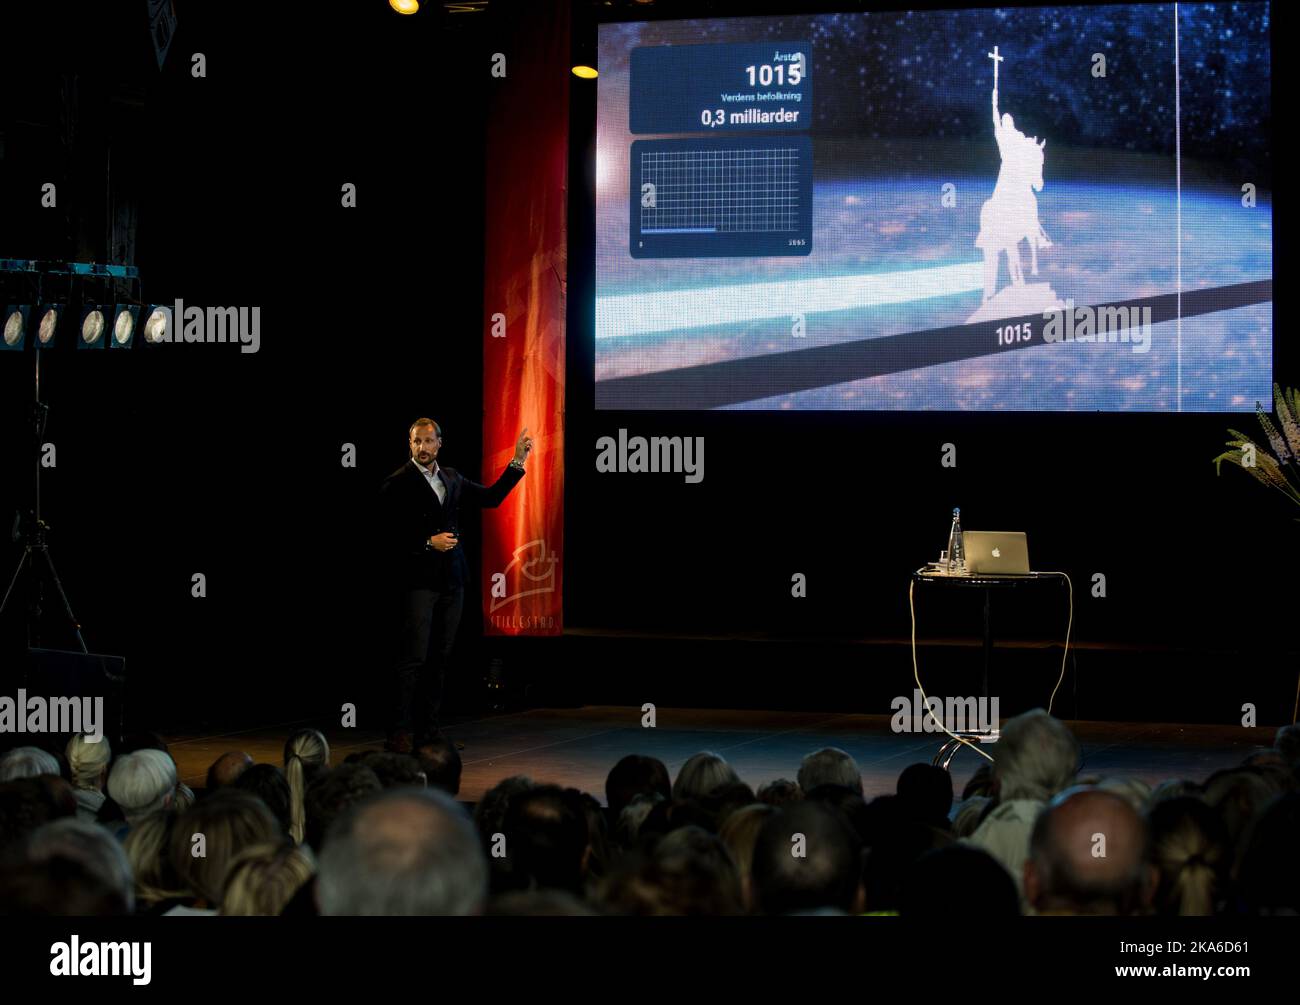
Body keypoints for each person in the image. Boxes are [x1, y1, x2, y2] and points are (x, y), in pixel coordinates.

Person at [379, 418, 533, 753]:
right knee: (413, 658)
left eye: (428, 441)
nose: (422, 447)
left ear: (439, 443)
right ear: (409, 444)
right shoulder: (397, 483)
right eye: (416, 441)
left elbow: (492, 498)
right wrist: (426, 542)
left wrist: (518, 461)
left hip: (453, 578)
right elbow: (387, 538)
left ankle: (430, 731)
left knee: (441, 657)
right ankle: (400, 731)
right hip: (419, 581)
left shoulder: (452, 477)